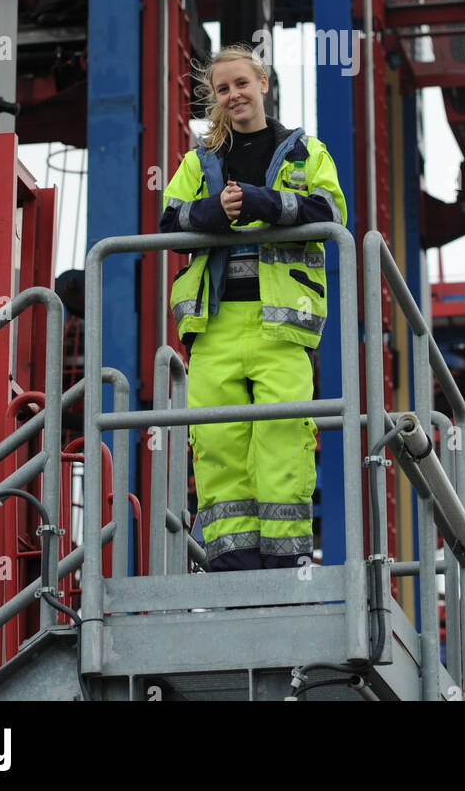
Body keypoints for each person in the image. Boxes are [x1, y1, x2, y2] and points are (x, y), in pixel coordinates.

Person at [159, 43, 347, 572]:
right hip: (213, 326)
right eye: (222, 90)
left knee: (283, 440)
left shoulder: (306, 153)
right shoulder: (199, 162)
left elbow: (332, 210)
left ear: (263, 83)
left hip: (280, 329)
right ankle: (232, 567)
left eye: (241, 83)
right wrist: (213, 212)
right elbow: (169, 224)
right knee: (218, 443)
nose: (233, 95)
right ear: (215, 101)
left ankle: (285, 568)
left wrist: (272, 204)